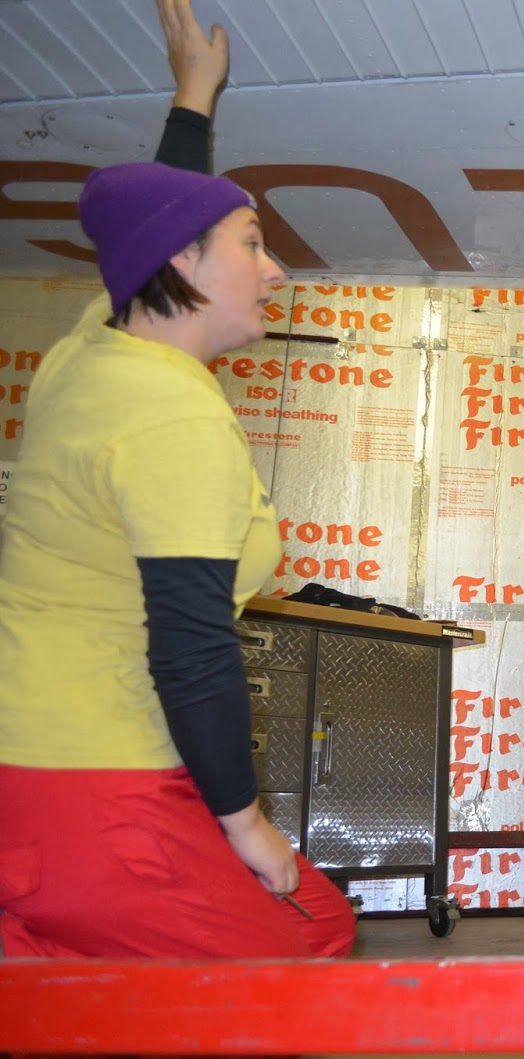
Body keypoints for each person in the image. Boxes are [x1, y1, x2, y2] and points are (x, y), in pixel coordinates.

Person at [0, 0, 355, 959]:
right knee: (302, 940)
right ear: (181, 266)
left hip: (31, 758)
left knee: (307, 917)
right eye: (252, 243)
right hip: (91, 777)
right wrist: (248, 826)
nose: (275, 269)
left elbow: (151, 222)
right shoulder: (174, 417)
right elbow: (191, 645)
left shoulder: (92, 352)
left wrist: (192, 100)